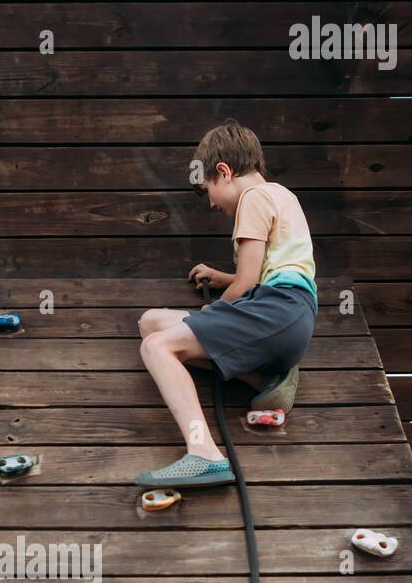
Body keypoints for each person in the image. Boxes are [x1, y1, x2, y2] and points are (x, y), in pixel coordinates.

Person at [134, 119, 318, 489]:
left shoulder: (252, 198)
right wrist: (223, 279)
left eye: (208, 191)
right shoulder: (282, 195)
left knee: (156, 346)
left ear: (224, 171)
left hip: (276, 308)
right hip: (288, 316)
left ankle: (203, 452)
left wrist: (215, 309)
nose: (213, 204)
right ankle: (265, 378)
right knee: (151, 322)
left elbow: (249, 283)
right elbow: (269, 270)